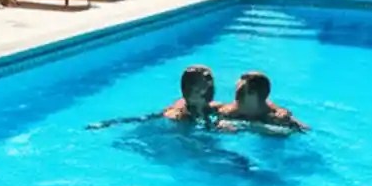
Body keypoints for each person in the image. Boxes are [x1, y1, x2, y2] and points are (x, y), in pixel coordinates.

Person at [87, 65, 221, 130]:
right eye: (202, 88)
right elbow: (145, 119)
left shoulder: (210, 107)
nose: (206, 90)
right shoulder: (177, 115)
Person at [216, 71, 308, 133]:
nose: (236, 98)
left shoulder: (276, 117)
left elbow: (305, 130)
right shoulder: (226, 113)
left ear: (253, 94)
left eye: (240, 93)